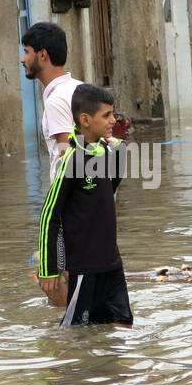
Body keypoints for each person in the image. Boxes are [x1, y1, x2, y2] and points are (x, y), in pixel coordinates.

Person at [36, 83, 133, 327]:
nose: (113, 120)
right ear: (85, 120)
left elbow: (108, 190)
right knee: (75, 332)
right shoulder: (70, 160)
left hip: (112, 264)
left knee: (123, 325)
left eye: (113, 113)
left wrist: (120, 151)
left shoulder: (103, 152)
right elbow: (50, 215)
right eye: (106, 115)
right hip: (84, 267)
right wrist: (49, 268)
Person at [21, 22, 81, 182]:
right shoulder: (81, 87)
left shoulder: (56, 100)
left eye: (26, 52)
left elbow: (68, 159)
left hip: (72, 197)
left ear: (42, 55)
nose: (22, 59)